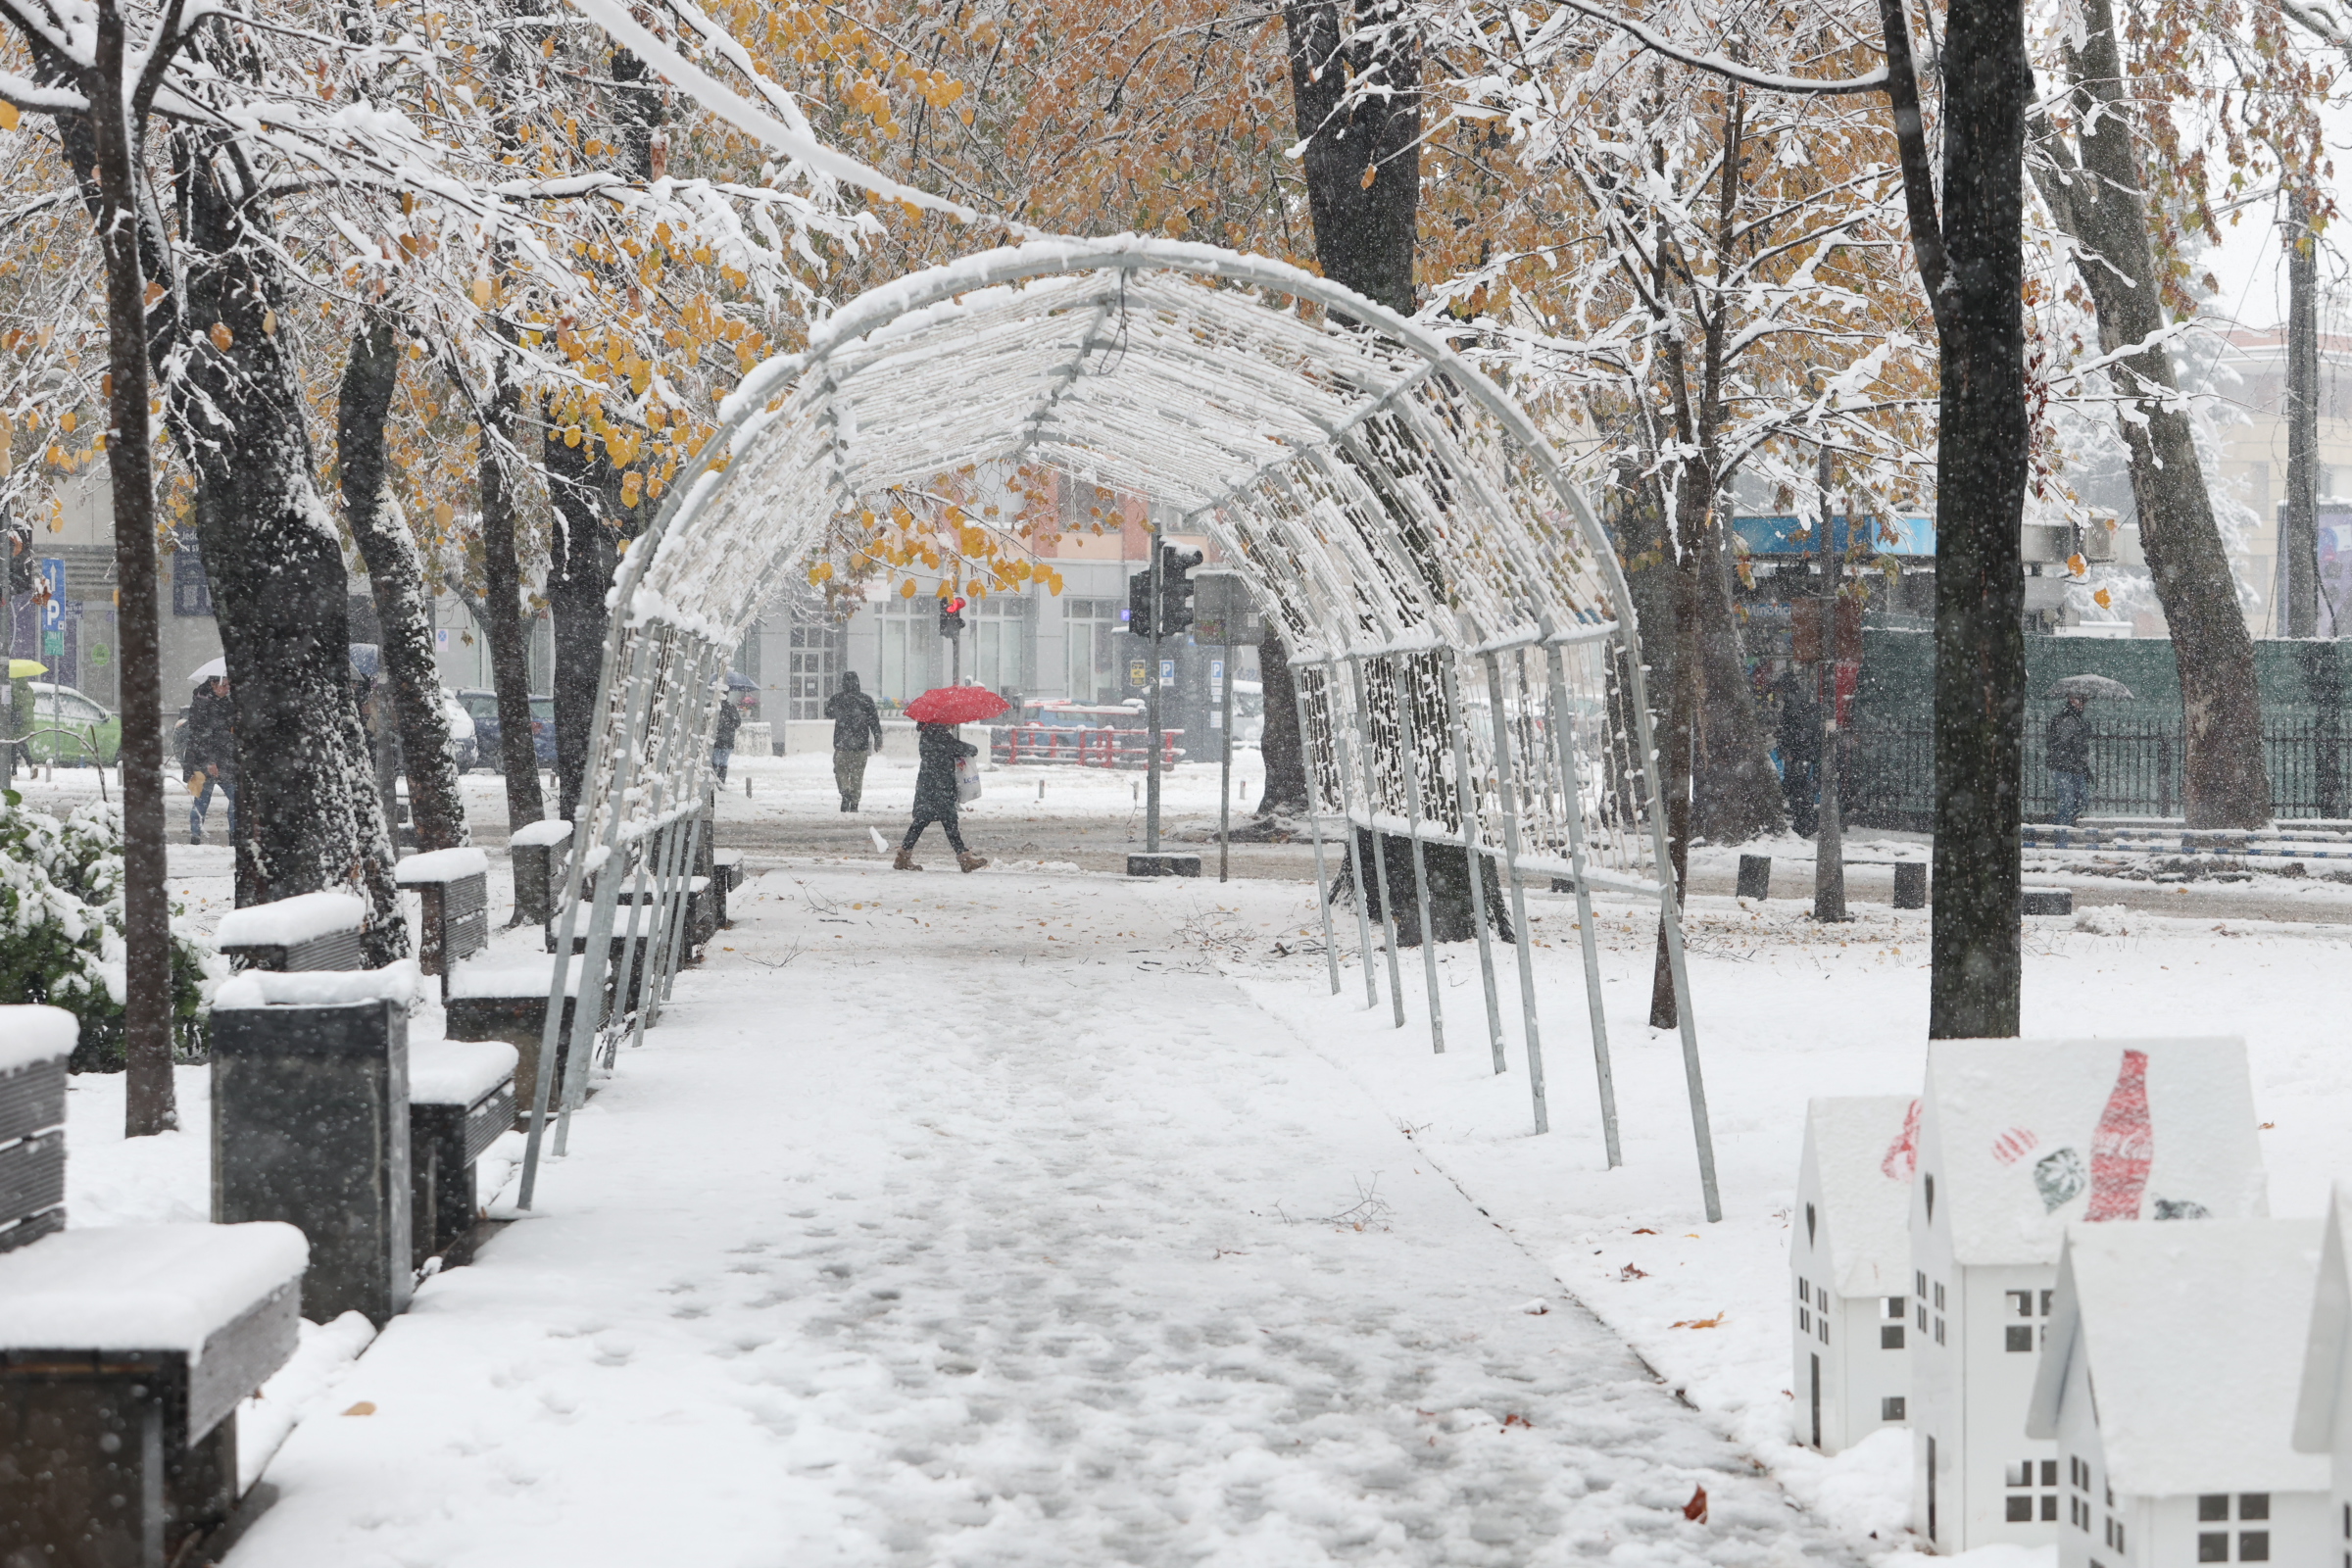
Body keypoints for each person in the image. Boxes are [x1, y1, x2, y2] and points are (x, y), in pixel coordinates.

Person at [895, 720, 986, 872]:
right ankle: (965, 859)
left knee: (922, 822)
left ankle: (903, 856)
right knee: (949, 822)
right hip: (939, 787)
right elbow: (964, 749)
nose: (952, 723)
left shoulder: (928, 734)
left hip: (929, 785)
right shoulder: (938, 734)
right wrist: (970, 747)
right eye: (949, 720)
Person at [184, 673, 237, 845]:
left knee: (236, 797)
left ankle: (235, 835)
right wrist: (210, 761)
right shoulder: (202, 704)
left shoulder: (227, 703)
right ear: (214, 685)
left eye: (229, 685)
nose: (227, 688)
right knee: (202, 798)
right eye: (225, 685)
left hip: (225, 760)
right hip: (204, 760)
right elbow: (201, 737)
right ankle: (196, 835)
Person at [823, 670, 885, 812]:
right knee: (857, 775)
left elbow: (827, 713)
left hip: (841, 744)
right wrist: (877, 737)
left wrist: (838, 709)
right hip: (861, 745)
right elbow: (874, 721)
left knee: (840, 771)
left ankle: (845, 791)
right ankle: (855, 802)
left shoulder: (837, 699)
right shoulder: (866, 700)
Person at [1773, 663, 1822, 838]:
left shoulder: (1791, 701)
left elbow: (1791, 729)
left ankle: (1803, 822)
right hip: (1804, 752)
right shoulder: (1801, 698)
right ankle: (1804, 821)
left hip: (1797, 752)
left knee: (1796, 787)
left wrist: (1788, 749)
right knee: (1800, 787)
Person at [2047, 692, 2093, 826]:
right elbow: (2066, 743)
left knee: (2081, 800)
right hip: (2063, 766)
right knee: (2068, 801)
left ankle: (2059, 824)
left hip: (2075, 767)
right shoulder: (2066, 719)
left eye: (2085, 701)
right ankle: (2062, 830)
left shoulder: (2078, 720)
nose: (2084, 704)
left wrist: (2084, 766)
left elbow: (2079, 746)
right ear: (2072, 700)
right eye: (2081, 700)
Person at [710, 684, 743, 783]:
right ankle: (721, 781)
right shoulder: (730, 707)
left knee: (714, 761)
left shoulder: (711, 706)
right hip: (728, 740)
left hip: (714, 739)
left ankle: (714, 782)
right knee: (724, 762)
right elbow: (737, 723)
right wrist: (729, 727)